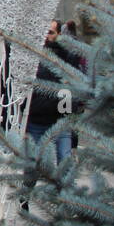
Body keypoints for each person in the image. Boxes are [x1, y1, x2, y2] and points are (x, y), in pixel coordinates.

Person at [25, 19, 85, 163]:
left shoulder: (67, 56)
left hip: (60, 120)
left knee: (64, 161)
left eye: (50, 32)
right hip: (36, 120)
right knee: (32, 166)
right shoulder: (32, 55)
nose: (46, 36)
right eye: (44, 31)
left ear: (58, 34)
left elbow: (77, 77)